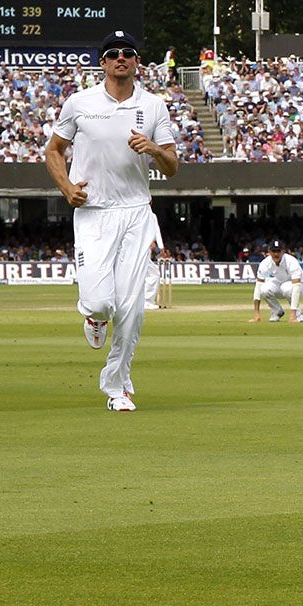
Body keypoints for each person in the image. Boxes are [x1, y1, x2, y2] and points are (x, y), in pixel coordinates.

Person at [44, 30, 179, 412]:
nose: (121, 58)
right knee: (100, 301)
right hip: (93, 213)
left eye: (128, 53)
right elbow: (53, 151)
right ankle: (94, 317)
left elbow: (172, 167)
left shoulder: (153, 107)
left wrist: (153, 148)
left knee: (134, 307)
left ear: (137, 62)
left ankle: (117, 386)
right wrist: (67, 187)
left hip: (136, 212)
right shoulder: (79, 103)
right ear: (102, 62)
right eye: (114, 54)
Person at [250, 239, 303, 323]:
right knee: (264, 289)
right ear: (269, 251)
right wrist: (256, 313)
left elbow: (296, 286)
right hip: (280, 283)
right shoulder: (265, 263)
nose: (276, 254)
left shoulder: (291, 261)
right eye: (273, 251)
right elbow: (258, 286)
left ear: (283, 251)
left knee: (287, 288)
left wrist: (293, 314)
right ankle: (277, 311)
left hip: (300, 285)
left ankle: (298, 314)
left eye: (278, 251)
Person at [143, 211, 164, 311]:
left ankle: (144, 301)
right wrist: (160, 246)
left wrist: (160, 246)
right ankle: (146, 301)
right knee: (153, 274)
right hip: (141, 248)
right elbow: (156, 231)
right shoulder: (149, 214)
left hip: (138, 248)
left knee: (143, 275)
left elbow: (155, 230)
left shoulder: (150, 215)